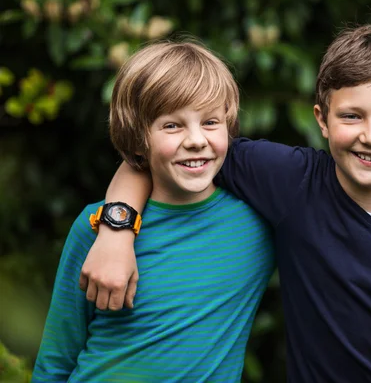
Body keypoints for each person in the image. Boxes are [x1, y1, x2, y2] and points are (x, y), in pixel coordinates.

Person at [80, 23, 371, 382]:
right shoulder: (291, 183)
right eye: (351, 116)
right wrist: (117, 229)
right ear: (321, 118)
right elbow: (156, 155)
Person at [32, 41, 276, 381]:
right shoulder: (97, 226)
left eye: (210, 122)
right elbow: (56, 360)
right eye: (172, 126)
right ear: (137, 138)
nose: (195, 140)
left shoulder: (259, 223)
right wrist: (115, 231)